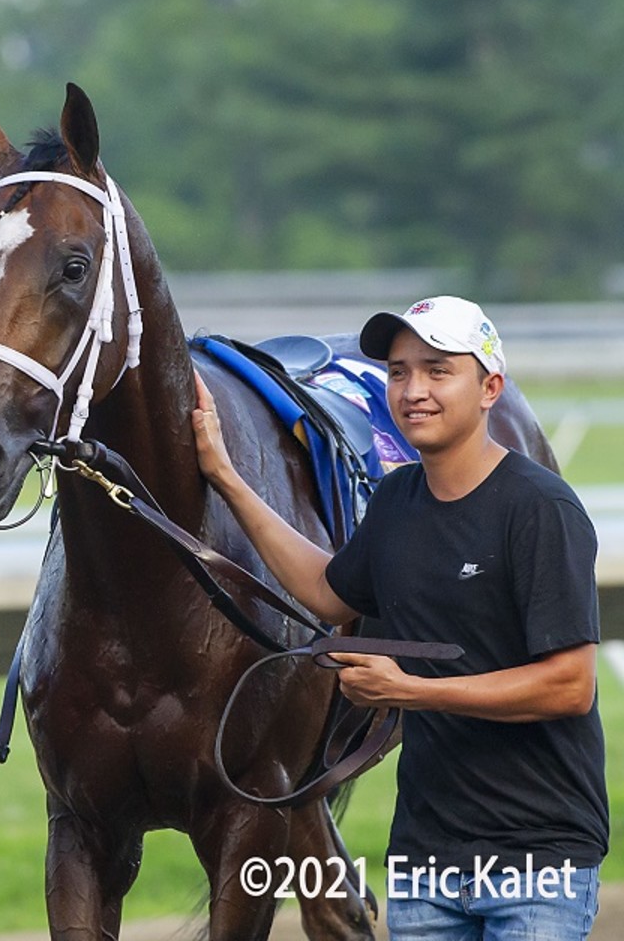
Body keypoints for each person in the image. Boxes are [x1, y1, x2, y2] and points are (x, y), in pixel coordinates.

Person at [191, 296, 607, 940]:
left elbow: (570, 685)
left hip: (538, 859)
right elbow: (327, 593)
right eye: (399, 372)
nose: (414, 390)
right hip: (425, 860)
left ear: (490, 387)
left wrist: (409, 691)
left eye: (439, 371)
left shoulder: (541, 509)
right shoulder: (394, 502)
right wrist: (225, 476)